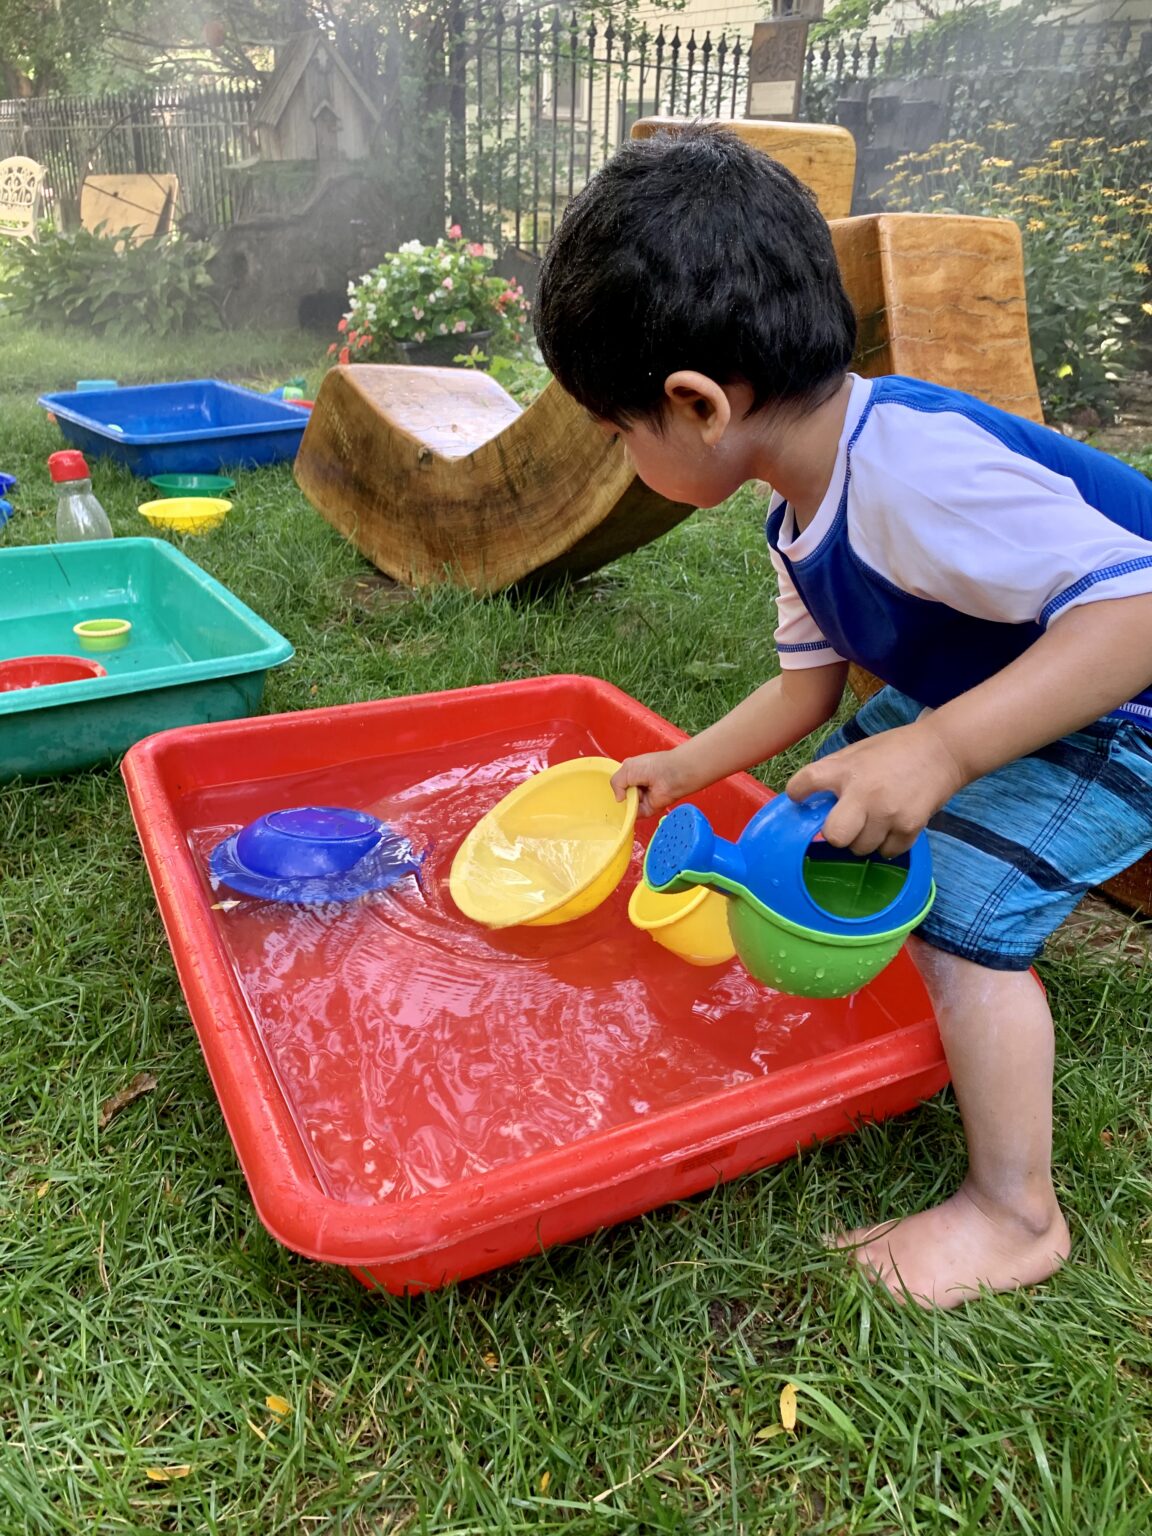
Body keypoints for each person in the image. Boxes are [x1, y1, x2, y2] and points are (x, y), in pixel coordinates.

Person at [533, 123, 1152, 1309]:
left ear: (697, 404)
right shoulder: (798, 505)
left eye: (618, 435)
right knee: (825, 802)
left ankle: (1015, 1213)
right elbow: (806, 689)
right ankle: (888, 969)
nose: (620, 455)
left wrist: (946, 746)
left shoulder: (914, 469)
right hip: (1016, 678)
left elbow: (1136, 607)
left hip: (1124, 703)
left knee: (956, 909)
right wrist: (680, 768)